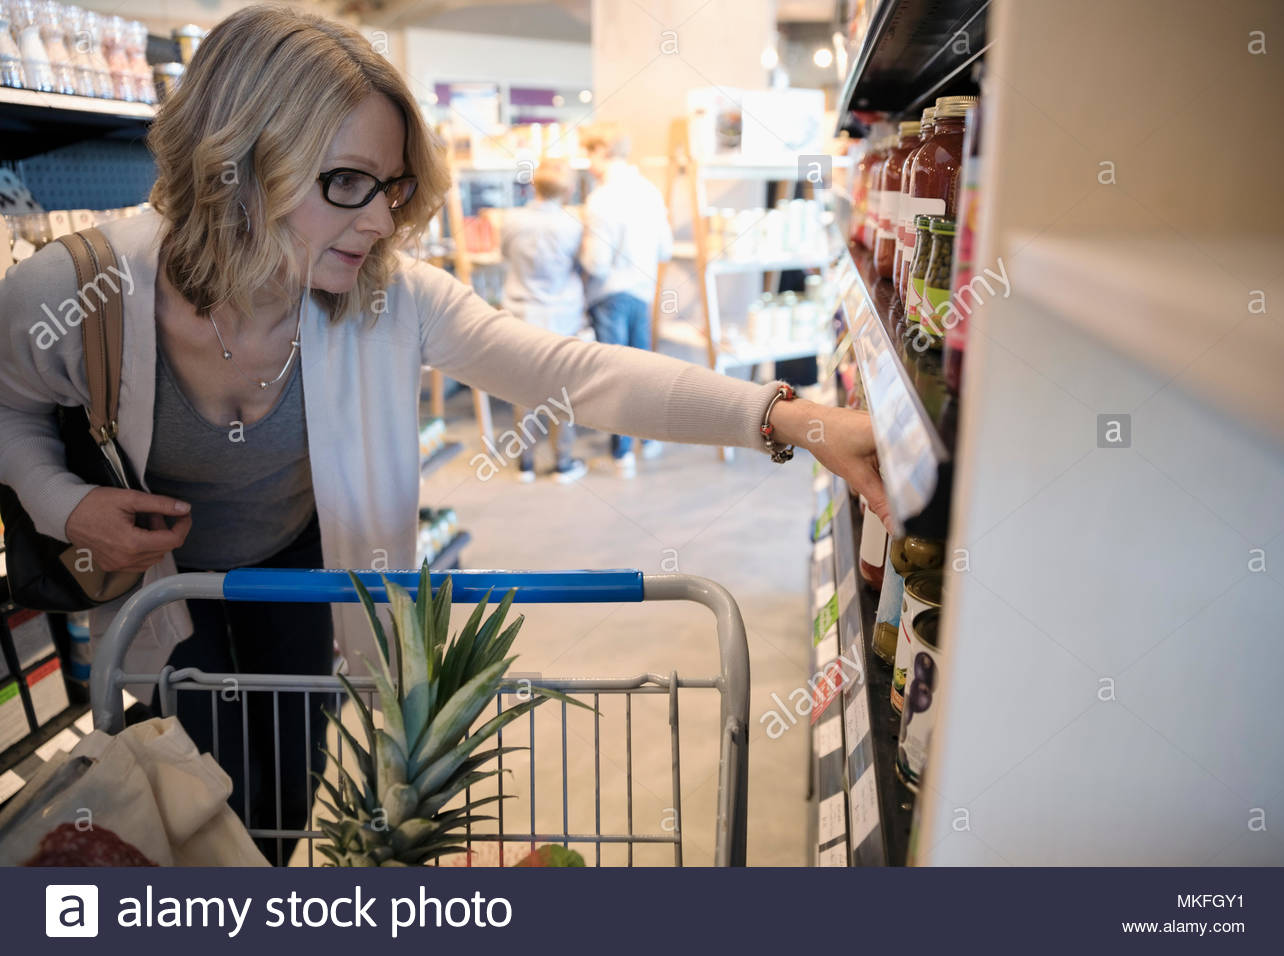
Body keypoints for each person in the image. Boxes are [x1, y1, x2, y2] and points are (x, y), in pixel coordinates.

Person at [0, 5, 886, 865]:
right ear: (236, 161)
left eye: (390, 188)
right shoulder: (82, 294)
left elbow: (574, 374)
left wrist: (791, 417)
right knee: (184, 799)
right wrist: (63, 502)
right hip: (158, 586)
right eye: (345, 183)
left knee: (282, 800)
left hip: (299, 568)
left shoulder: (388, 300)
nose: (382, 221)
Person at [578, 124, 673, 477]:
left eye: (589, 153)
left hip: (610, 294)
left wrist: (579, 253)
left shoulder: (602, 199)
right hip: (642, 291)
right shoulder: (649, 190)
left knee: (613, 376)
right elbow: (665, 247)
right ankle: (647, 441)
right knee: (642, 371)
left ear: (604, 150)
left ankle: (621, 456)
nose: (586, 162)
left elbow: (596, 262)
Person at [500, 158, 585, 483]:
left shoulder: (512, 219)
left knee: (523, 387)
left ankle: (525, 463)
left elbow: (504, 255)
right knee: (563, 391)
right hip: (561, 315)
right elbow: (582, 264)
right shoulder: (572, 224)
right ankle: (563, 463)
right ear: (566, 190)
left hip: (520, 312)